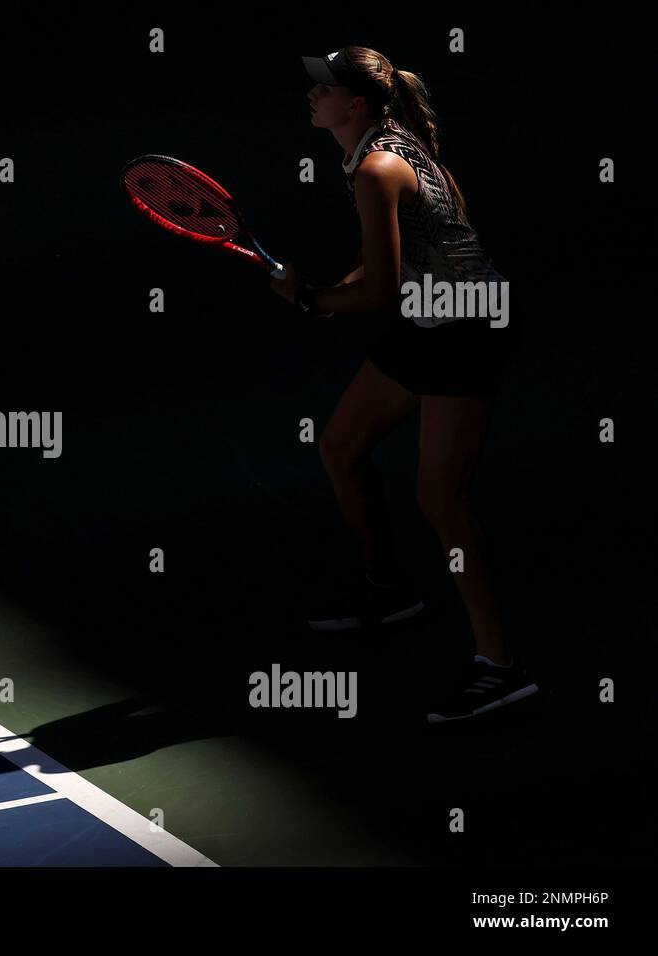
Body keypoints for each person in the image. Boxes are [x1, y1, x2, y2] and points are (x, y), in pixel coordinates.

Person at [272, 46, 538, 723]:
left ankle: (499, 666)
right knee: (340, 446)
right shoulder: (394, 146)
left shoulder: (377, 166)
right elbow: (390, 263)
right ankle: (389, 590)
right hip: (434, 316)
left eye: (324, 89)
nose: (312, 96)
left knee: (440, 498)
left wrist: (310, 302)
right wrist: (322, 292)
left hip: (467, 327)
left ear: (356, 103)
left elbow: (382, 289)